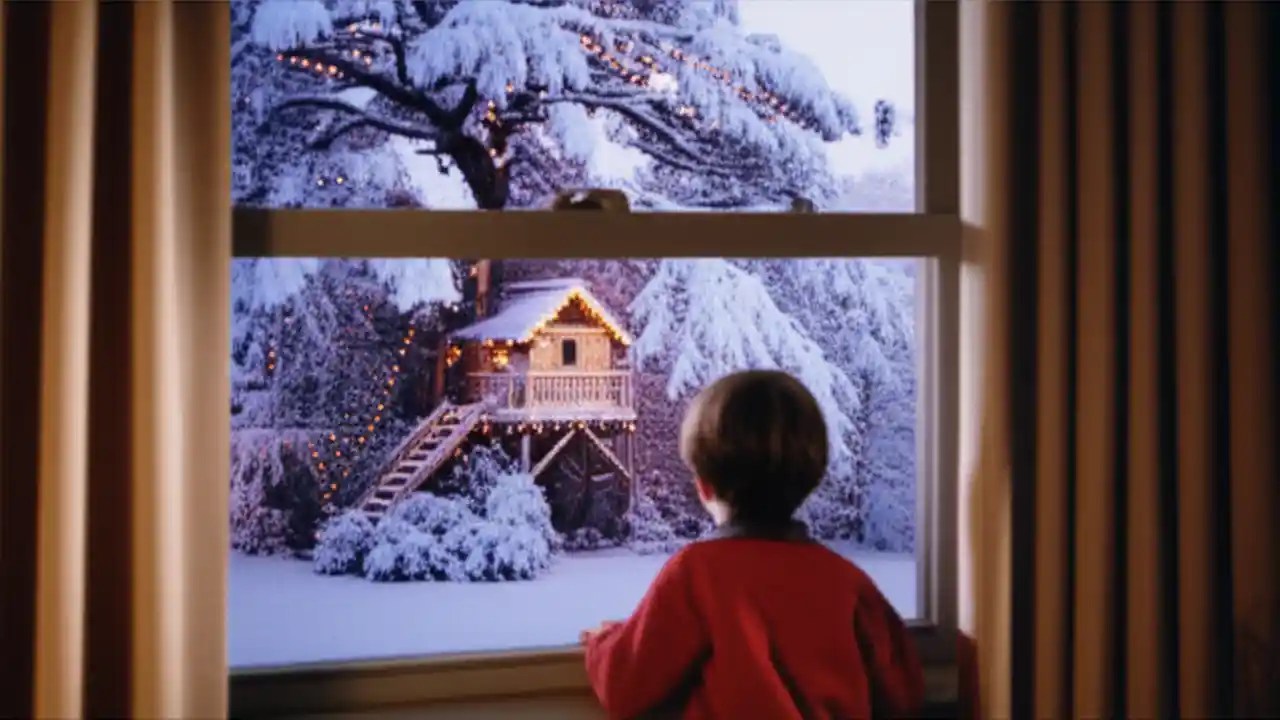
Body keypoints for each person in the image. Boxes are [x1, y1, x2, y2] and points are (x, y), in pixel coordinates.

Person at [581, 370, 924, 719]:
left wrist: (603, 641)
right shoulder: (848, 582)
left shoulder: (696, 574)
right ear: (812, 479)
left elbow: (626, 684)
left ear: (704, 487)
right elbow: (903, 691)